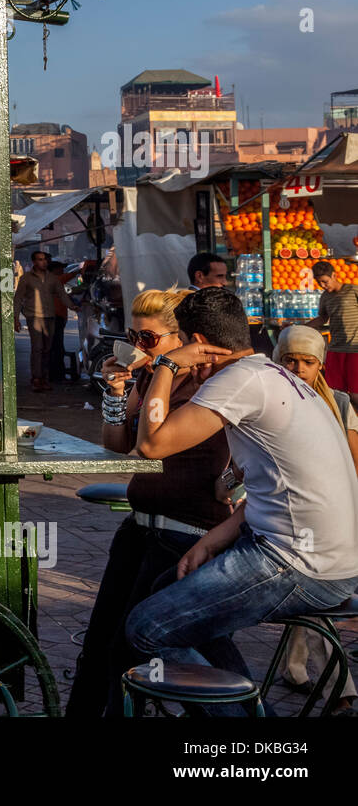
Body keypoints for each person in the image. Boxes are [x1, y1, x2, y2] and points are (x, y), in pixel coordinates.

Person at [127, 289, 358, 713]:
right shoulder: (271, 374)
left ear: (198, 344)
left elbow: (151, 445)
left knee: (146, 628)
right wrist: (215, 538)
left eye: (180, 345)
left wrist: (166, 365)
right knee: (173, 593)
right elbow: (284, 485)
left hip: (298, 563)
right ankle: (245, 703)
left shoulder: (239, 380)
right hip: (321, 556)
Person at [66, 289, 233, 718]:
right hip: (141, 525)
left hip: (185, 530)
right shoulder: (152, 374)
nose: (138, 346)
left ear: (185, 339)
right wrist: (116, 392)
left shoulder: (207, 382)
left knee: (137, 646)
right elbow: (118, 446)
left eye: (148, 338)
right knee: (101, 639)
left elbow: (151, 447)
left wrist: (164, 370)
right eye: (132, 336)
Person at [271, 325, 358, 710]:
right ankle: (328, 683)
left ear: (320, 365)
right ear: (278, 361)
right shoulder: (267, 401)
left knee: (307, 591)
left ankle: (302, 672)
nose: (299, 368)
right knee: (306, 591)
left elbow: (354, 461)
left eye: (308, 362)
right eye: (291, 360)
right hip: (283, 513)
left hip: (329, 517)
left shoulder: (338, 403)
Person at [14, 250, 78, 392]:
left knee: (47, 349)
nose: (43, 262)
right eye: (40, 259)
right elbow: (18, 298)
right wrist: (16, 318)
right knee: (37, 348)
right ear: (34, 262)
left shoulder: (52, 278)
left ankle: (44, 378)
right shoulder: (26, 279)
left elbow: (62, 294)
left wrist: (72, 306)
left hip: (50, 316)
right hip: (34, 316)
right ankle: (36, 378)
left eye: (44, 259)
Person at [307, 260, 358, 398]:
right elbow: (322, 318)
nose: (323, 286)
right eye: (319, 283)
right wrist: (302, 327)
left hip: (354, 349)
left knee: (355, 394)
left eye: (325, 281)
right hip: (335, 349)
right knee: (335, 394)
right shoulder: (325, 297)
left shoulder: (353, 290)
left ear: (334, 275)